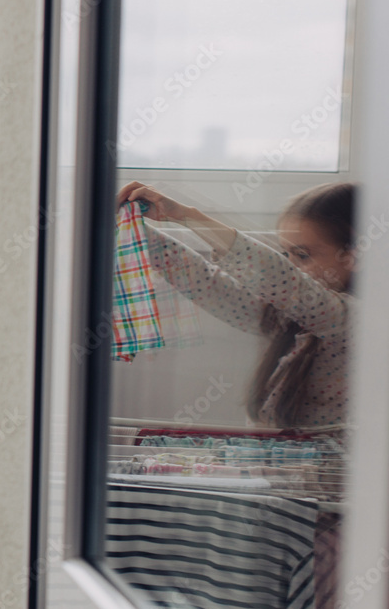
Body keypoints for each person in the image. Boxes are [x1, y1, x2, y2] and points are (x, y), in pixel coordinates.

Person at [117, 180, 354, 428]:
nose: (292, 266)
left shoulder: (356, 321)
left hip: (325, 465)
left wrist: (187, 217)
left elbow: (283, 280)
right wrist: (133, 229)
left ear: (352, 257)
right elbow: (208, 284)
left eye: (303, 255)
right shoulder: (287, 317)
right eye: (287, 255)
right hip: (277, 460)